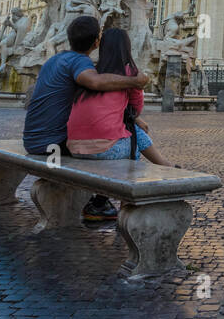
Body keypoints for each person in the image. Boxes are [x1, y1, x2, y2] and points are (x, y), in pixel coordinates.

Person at [22, 15, 148, 222]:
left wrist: (133, 119)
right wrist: (135, 81)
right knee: (123, 143)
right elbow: (96, 83)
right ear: (96, 42)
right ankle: (102, 203)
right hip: (52, 143)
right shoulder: (80, 62)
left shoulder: (55, 59)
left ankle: (100, 201)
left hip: (33, 139)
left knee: (116, 134)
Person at [68, 27, 174, 165]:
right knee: (135, 133)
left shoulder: (92, 72)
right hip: (104, 150)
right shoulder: (130, 73)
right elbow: (135, 111)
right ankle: (140, 174)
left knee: (133, 128)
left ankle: (165, 164)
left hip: (73, 147)